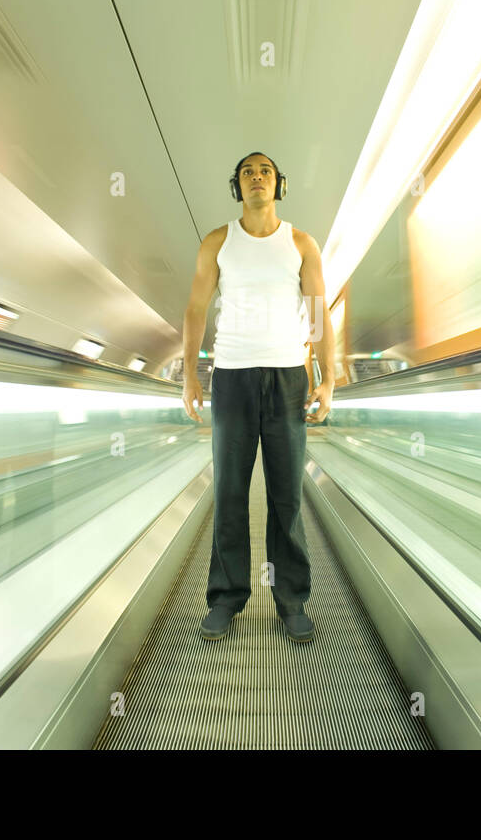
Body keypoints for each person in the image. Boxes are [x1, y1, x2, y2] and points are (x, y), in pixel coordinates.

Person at [181, 152, 335, 643]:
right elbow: (195, 311)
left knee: (286, 495)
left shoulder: (301, 243)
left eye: (265, 171)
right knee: (229, 492)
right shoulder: (218, 242)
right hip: (232, 377)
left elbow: (317, 316)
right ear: (237, 187)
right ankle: (226, 598)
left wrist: (326, 377)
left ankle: (291, 601)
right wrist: (189, 374)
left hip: (288, 378)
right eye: (247, 172)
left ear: (279, 184)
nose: (256, 178)